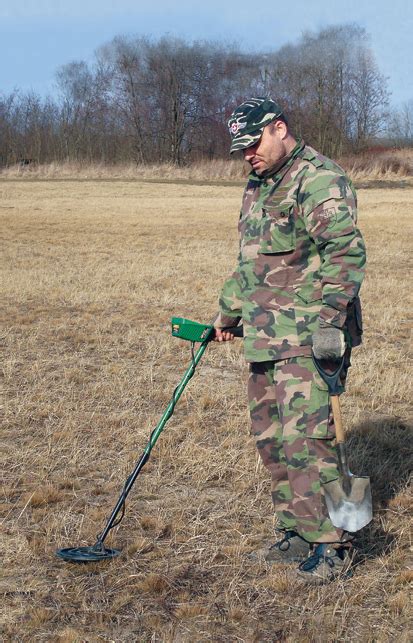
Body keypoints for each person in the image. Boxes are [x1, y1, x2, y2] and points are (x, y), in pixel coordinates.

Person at [213, 97, 366, 584]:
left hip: (308, 337)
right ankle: (297, 530)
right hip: (264, 336)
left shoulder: (318, 178)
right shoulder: (259, 184)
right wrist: (229, 311)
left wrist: (328, 327)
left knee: (311, 442)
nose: (247, 155)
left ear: (280, 128)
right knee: (272, 440)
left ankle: (334, 543)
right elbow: (252, 260)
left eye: (253, 144)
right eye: (240, 149)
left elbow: (345, 255)